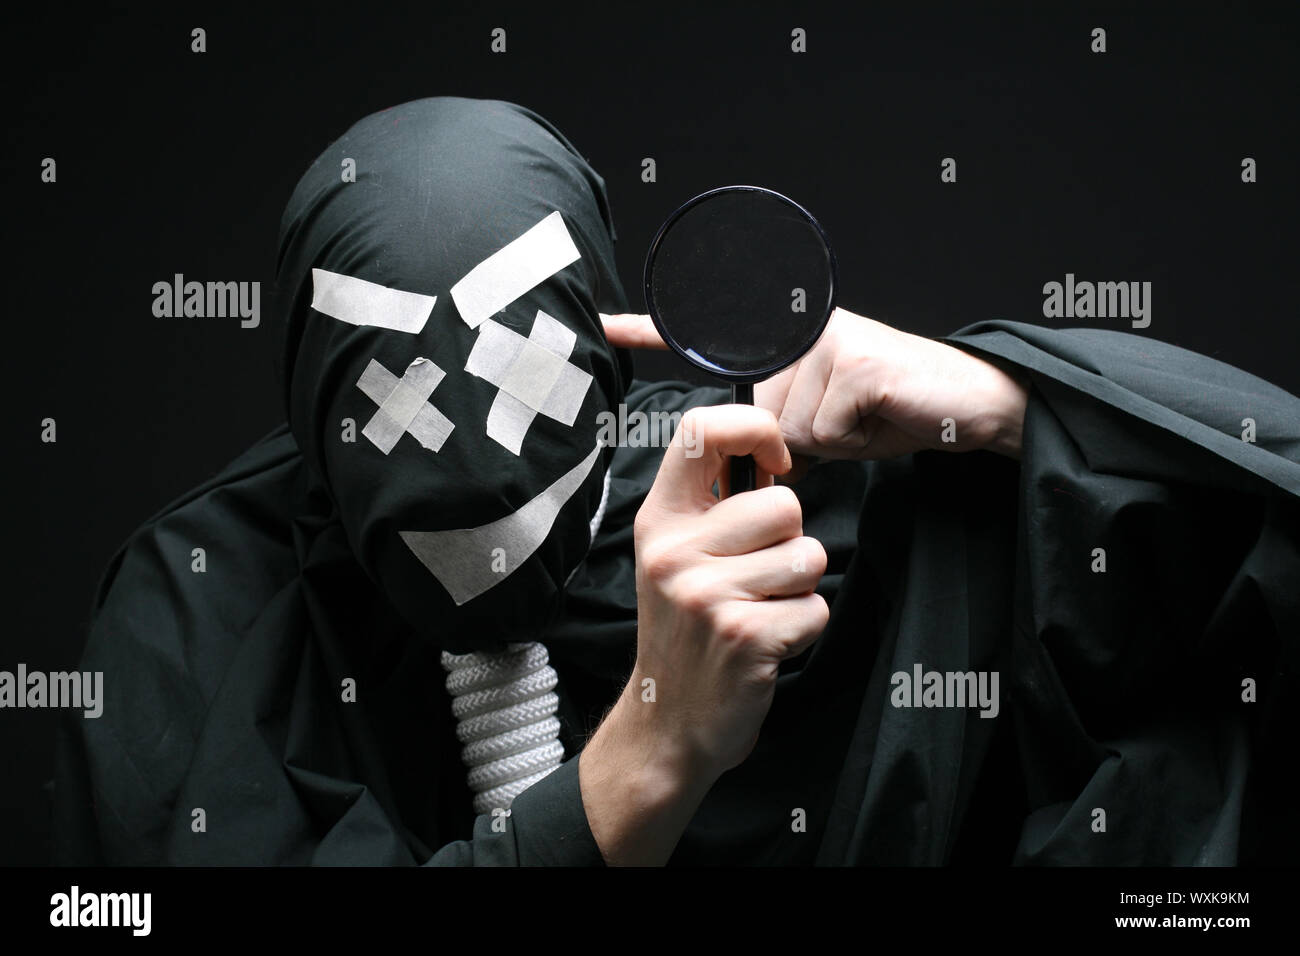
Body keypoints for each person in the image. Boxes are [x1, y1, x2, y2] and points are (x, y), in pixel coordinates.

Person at [52, 96, 1300, 866]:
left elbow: (1248, 571)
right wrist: (638, 764)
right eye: (390, 388)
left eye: (517, 355)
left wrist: (1008, 404)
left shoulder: (784, 489)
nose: (460, 424)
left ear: (605, 342)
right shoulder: (197, 607)